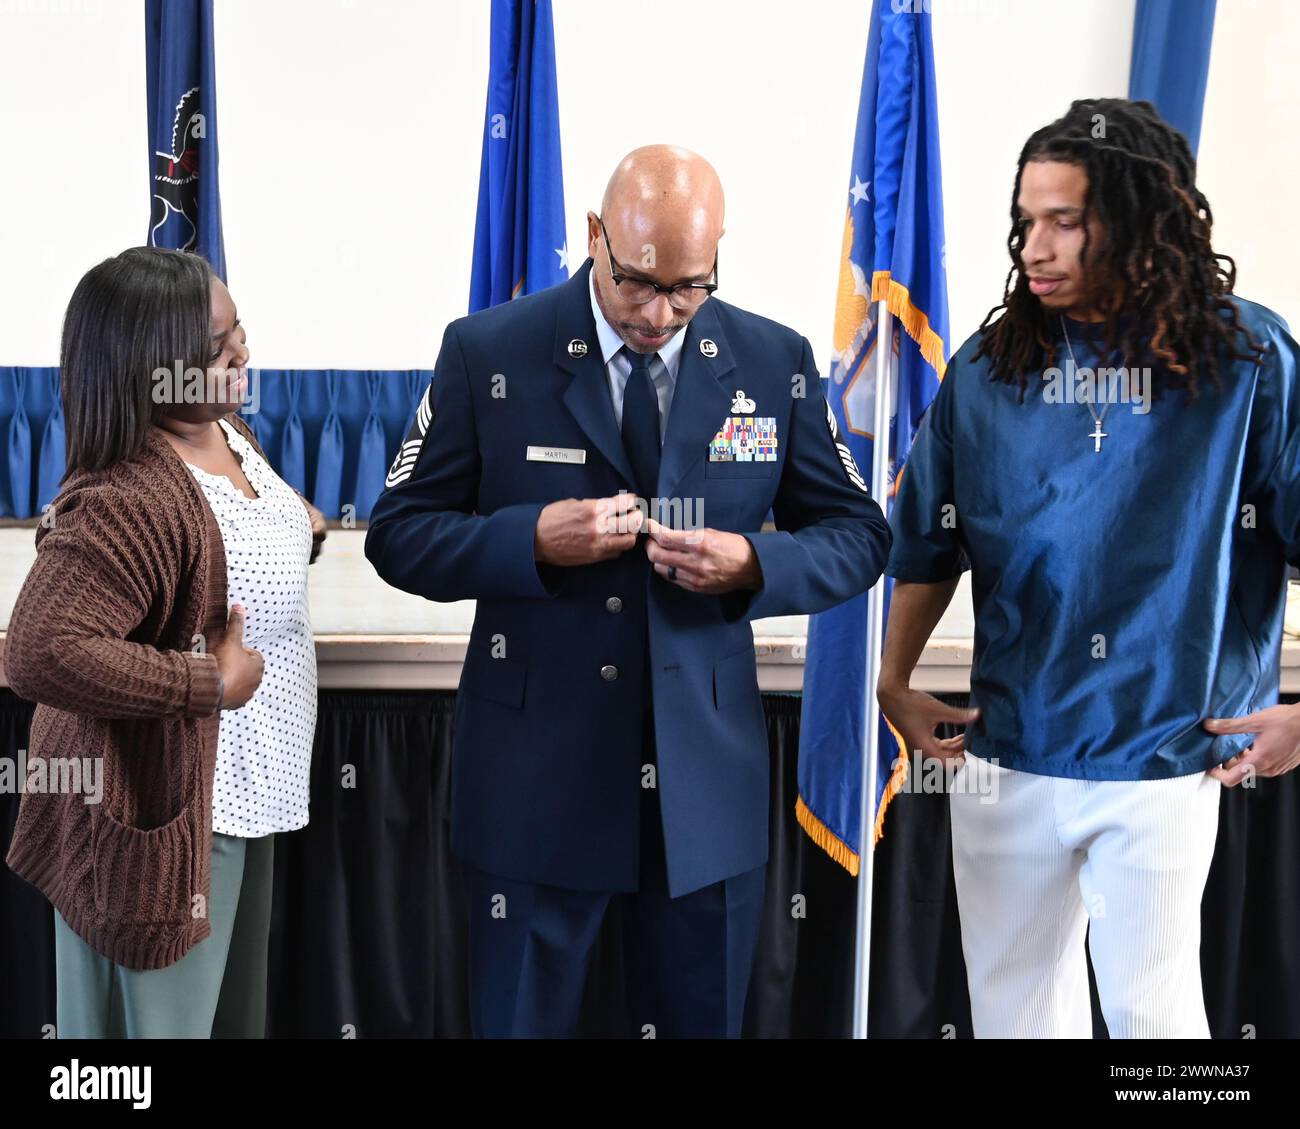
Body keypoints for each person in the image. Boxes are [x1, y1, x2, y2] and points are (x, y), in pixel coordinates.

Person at [366, 144, 891, 1038]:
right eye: (640, 282)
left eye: (691, 286)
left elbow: (859, 533)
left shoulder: (772, 360)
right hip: (537, 786)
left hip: (704, 796)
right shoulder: (489, 351)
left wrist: (755, 567)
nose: (661, 313)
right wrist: (528, 539)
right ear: (596, 238)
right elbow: (399, 532)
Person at [878, 98, 1300, 1038]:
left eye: (1065, 220)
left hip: (1165, 755)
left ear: (1141, 220)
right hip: (1002, 750)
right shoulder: (991, 368)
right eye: (1027, 220)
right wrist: (894, 680)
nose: (1035, 245)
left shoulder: (1248, 362)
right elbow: (926, 540)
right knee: (1015, 1017)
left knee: (1156, 1021)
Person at [4, 246, 326, 1038]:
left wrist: (296, 529)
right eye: (218, 346)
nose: (242, 349)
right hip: (173, 813)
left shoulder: (223, 428)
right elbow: (39, 648)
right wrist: (203, 684)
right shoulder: (127, 493)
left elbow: (223, 547)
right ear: (157, 370)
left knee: (231, 1025)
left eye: (238, 326)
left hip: (249, 796)